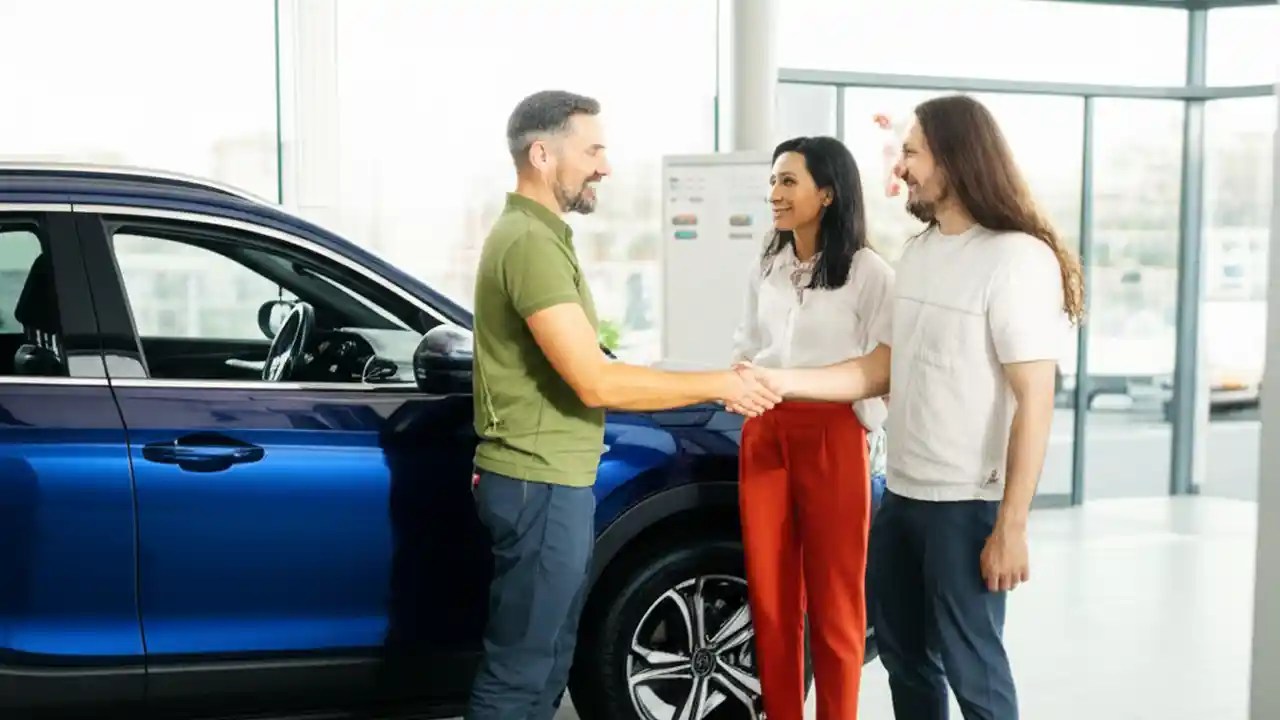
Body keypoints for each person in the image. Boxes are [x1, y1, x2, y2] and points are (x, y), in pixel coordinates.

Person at [733, 94, 1085, 720]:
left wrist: (1012, 525)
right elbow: (879, 369)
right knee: (906, 662)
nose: (901, 169)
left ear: (954, 158)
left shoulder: (1016, 260)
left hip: (966, 503)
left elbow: (1035, 400)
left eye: (913, 154)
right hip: (902, 494)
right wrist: (776, 381)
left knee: (973, 668)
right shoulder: (920, 255)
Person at [465, 89, 782, 720]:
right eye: (593, 150)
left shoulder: (543, 237)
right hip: (539, 481)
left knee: (549, 659)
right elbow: (596, 384)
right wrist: (721, 383)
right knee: (520, 671)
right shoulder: (528, 242)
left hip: (552, 480)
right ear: (542, 154)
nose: (605, 167)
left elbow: (590, 363)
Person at [729, 136, 893, 720]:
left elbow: (884, 370)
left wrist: (861, 426)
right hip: (765, 432)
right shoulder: (765, 266)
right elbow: (748, 345)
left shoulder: (870, 273)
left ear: (827, 193)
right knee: (772, 602)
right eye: (773, 181)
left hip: (834, 435)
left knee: (835, 603)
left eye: (788, 181)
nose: (775, 193)